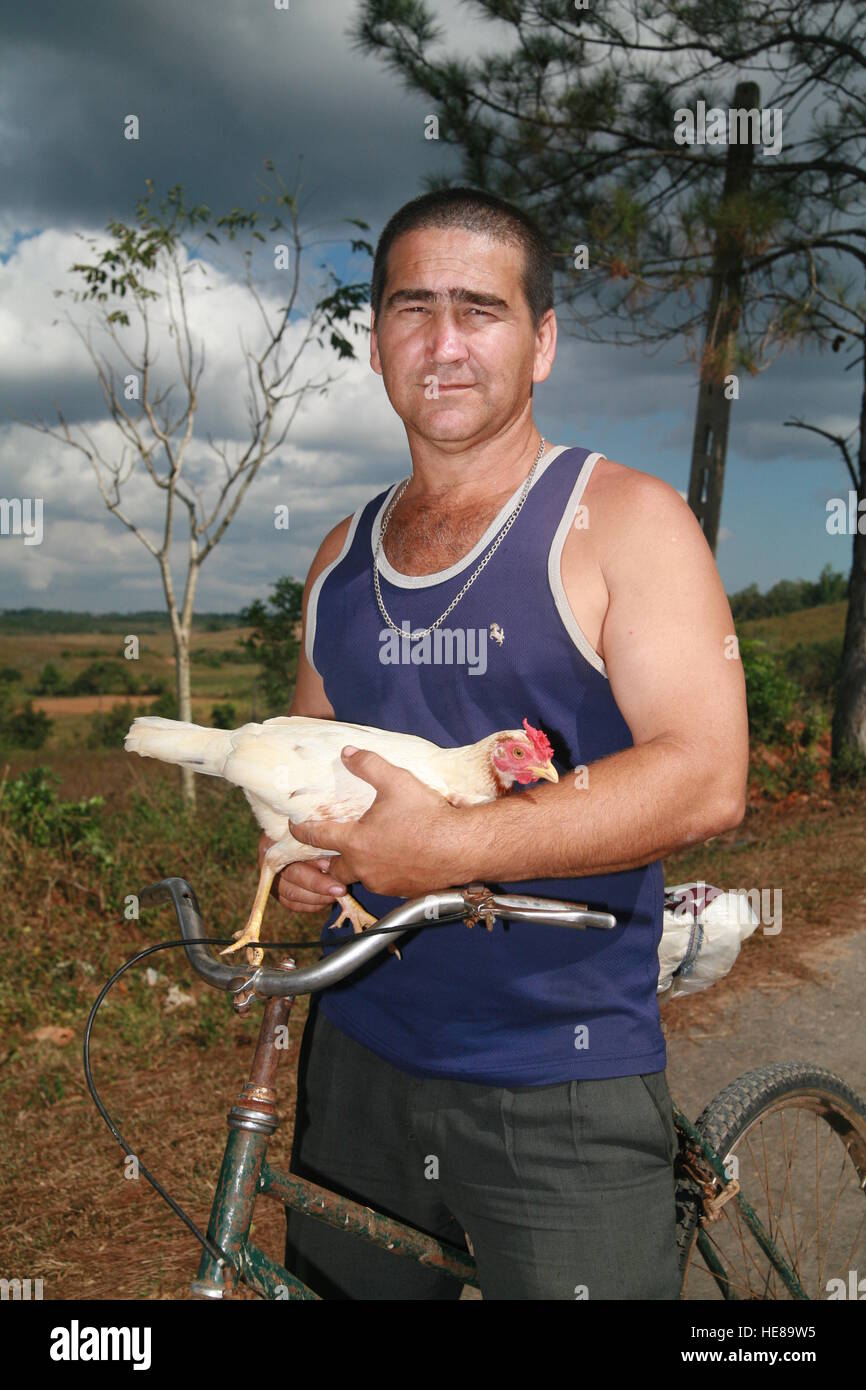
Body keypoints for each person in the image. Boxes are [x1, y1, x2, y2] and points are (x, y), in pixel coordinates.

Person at [259, 187, 749, 1300]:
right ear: (376, 336)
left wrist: (447, 844)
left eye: (479, 310)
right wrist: (305, 853)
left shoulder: (622, 520)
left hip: (560, 1074)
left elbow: (705, 775)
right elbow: (318, 771)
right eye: (410, 308)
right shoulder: (341, 554)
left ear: (541, 344)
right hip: (357, 1056)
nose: (441, 343)